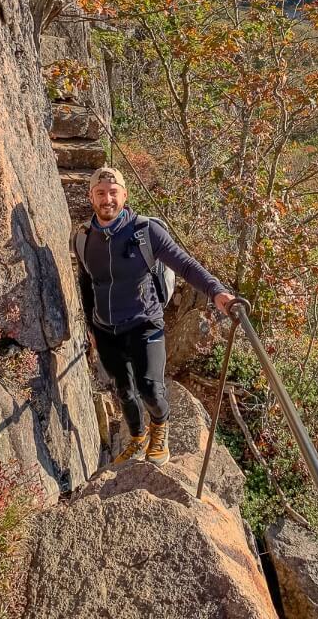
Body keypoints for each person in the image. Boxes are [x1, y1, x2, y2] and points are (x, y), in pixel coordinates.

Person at [73, 166, 235, 467]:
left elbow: (185, 264)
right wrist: (89, 326)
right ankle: (136, 439)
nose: (107, 199)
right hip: (105, 328)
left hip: (144, 323)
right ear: (91, 197)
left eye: (113, 192)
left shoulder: (146, 231)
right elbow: (86, 281)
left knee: (149, 387)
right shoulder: (83, 238)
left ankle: (160, 428)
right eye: (100, 193)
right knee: (123, 390)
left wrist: (217, 292)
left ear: (125, 195)